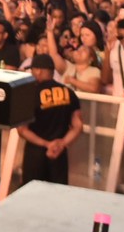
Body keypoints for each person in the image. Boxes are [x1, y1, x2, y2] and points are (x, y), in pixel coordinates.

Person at [17, 53, 83, 185]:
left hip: (36, 154)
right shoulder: (69, 93)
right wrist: (61, 143)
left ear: (38, 71)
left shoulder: (29, 94)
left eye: (32, 70)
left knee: (32, 193)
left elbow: (22, 130)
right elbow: (78, 126)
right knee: (57, 193)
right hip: (59, 154)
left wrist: (47, 144)